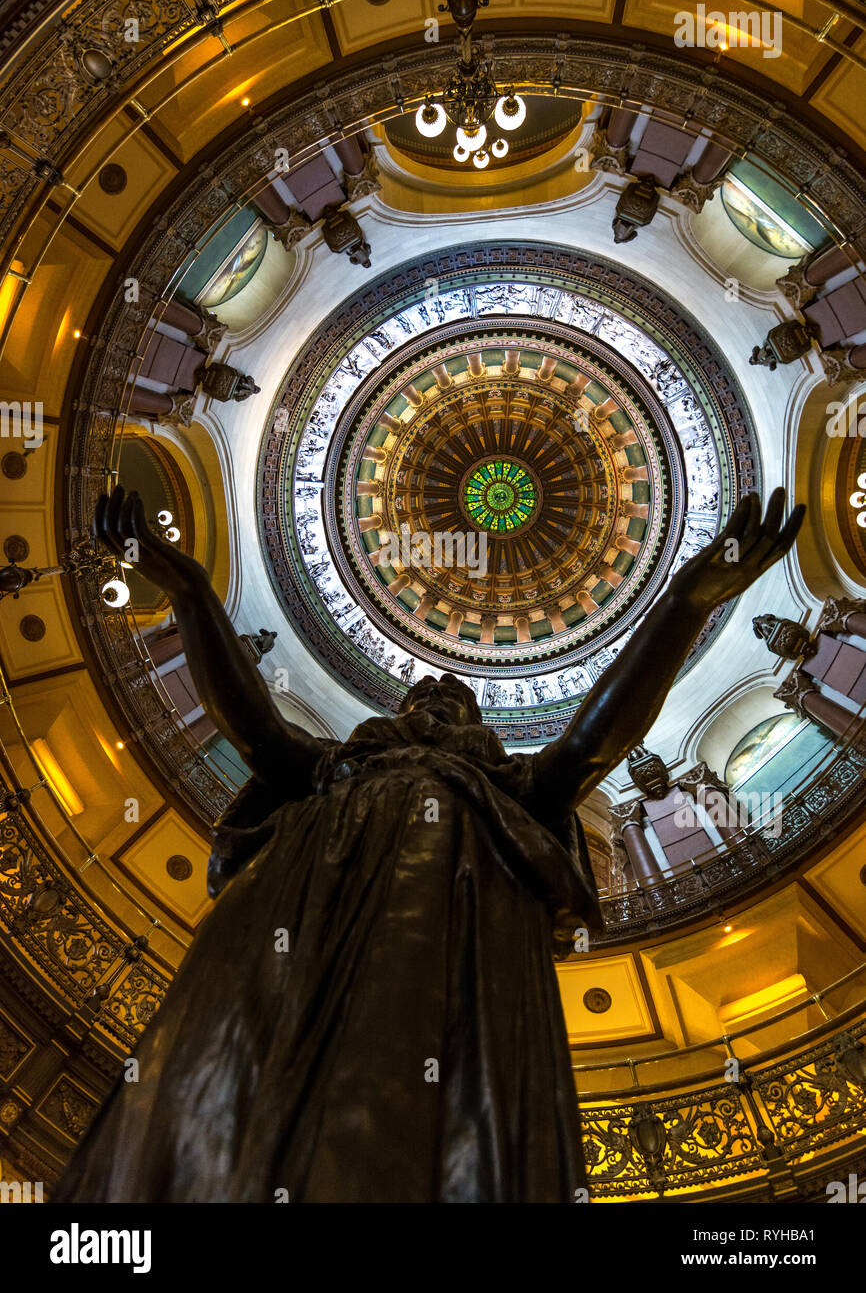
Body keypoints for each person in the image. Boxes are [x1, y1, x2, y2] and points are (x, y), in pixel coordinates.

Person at [55, 487, 803, 1203]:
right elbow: (250, 718)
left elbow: (595, 741)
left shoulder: (509, 787)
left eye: (456, 698)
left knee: (434, 1104)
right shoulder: (330, 767)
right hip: (295, 900)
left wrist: (685, 602)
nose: (441, 694)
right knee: (215, 1080)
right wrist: (185, 587)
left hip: (458, 916)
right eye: (427, 694)